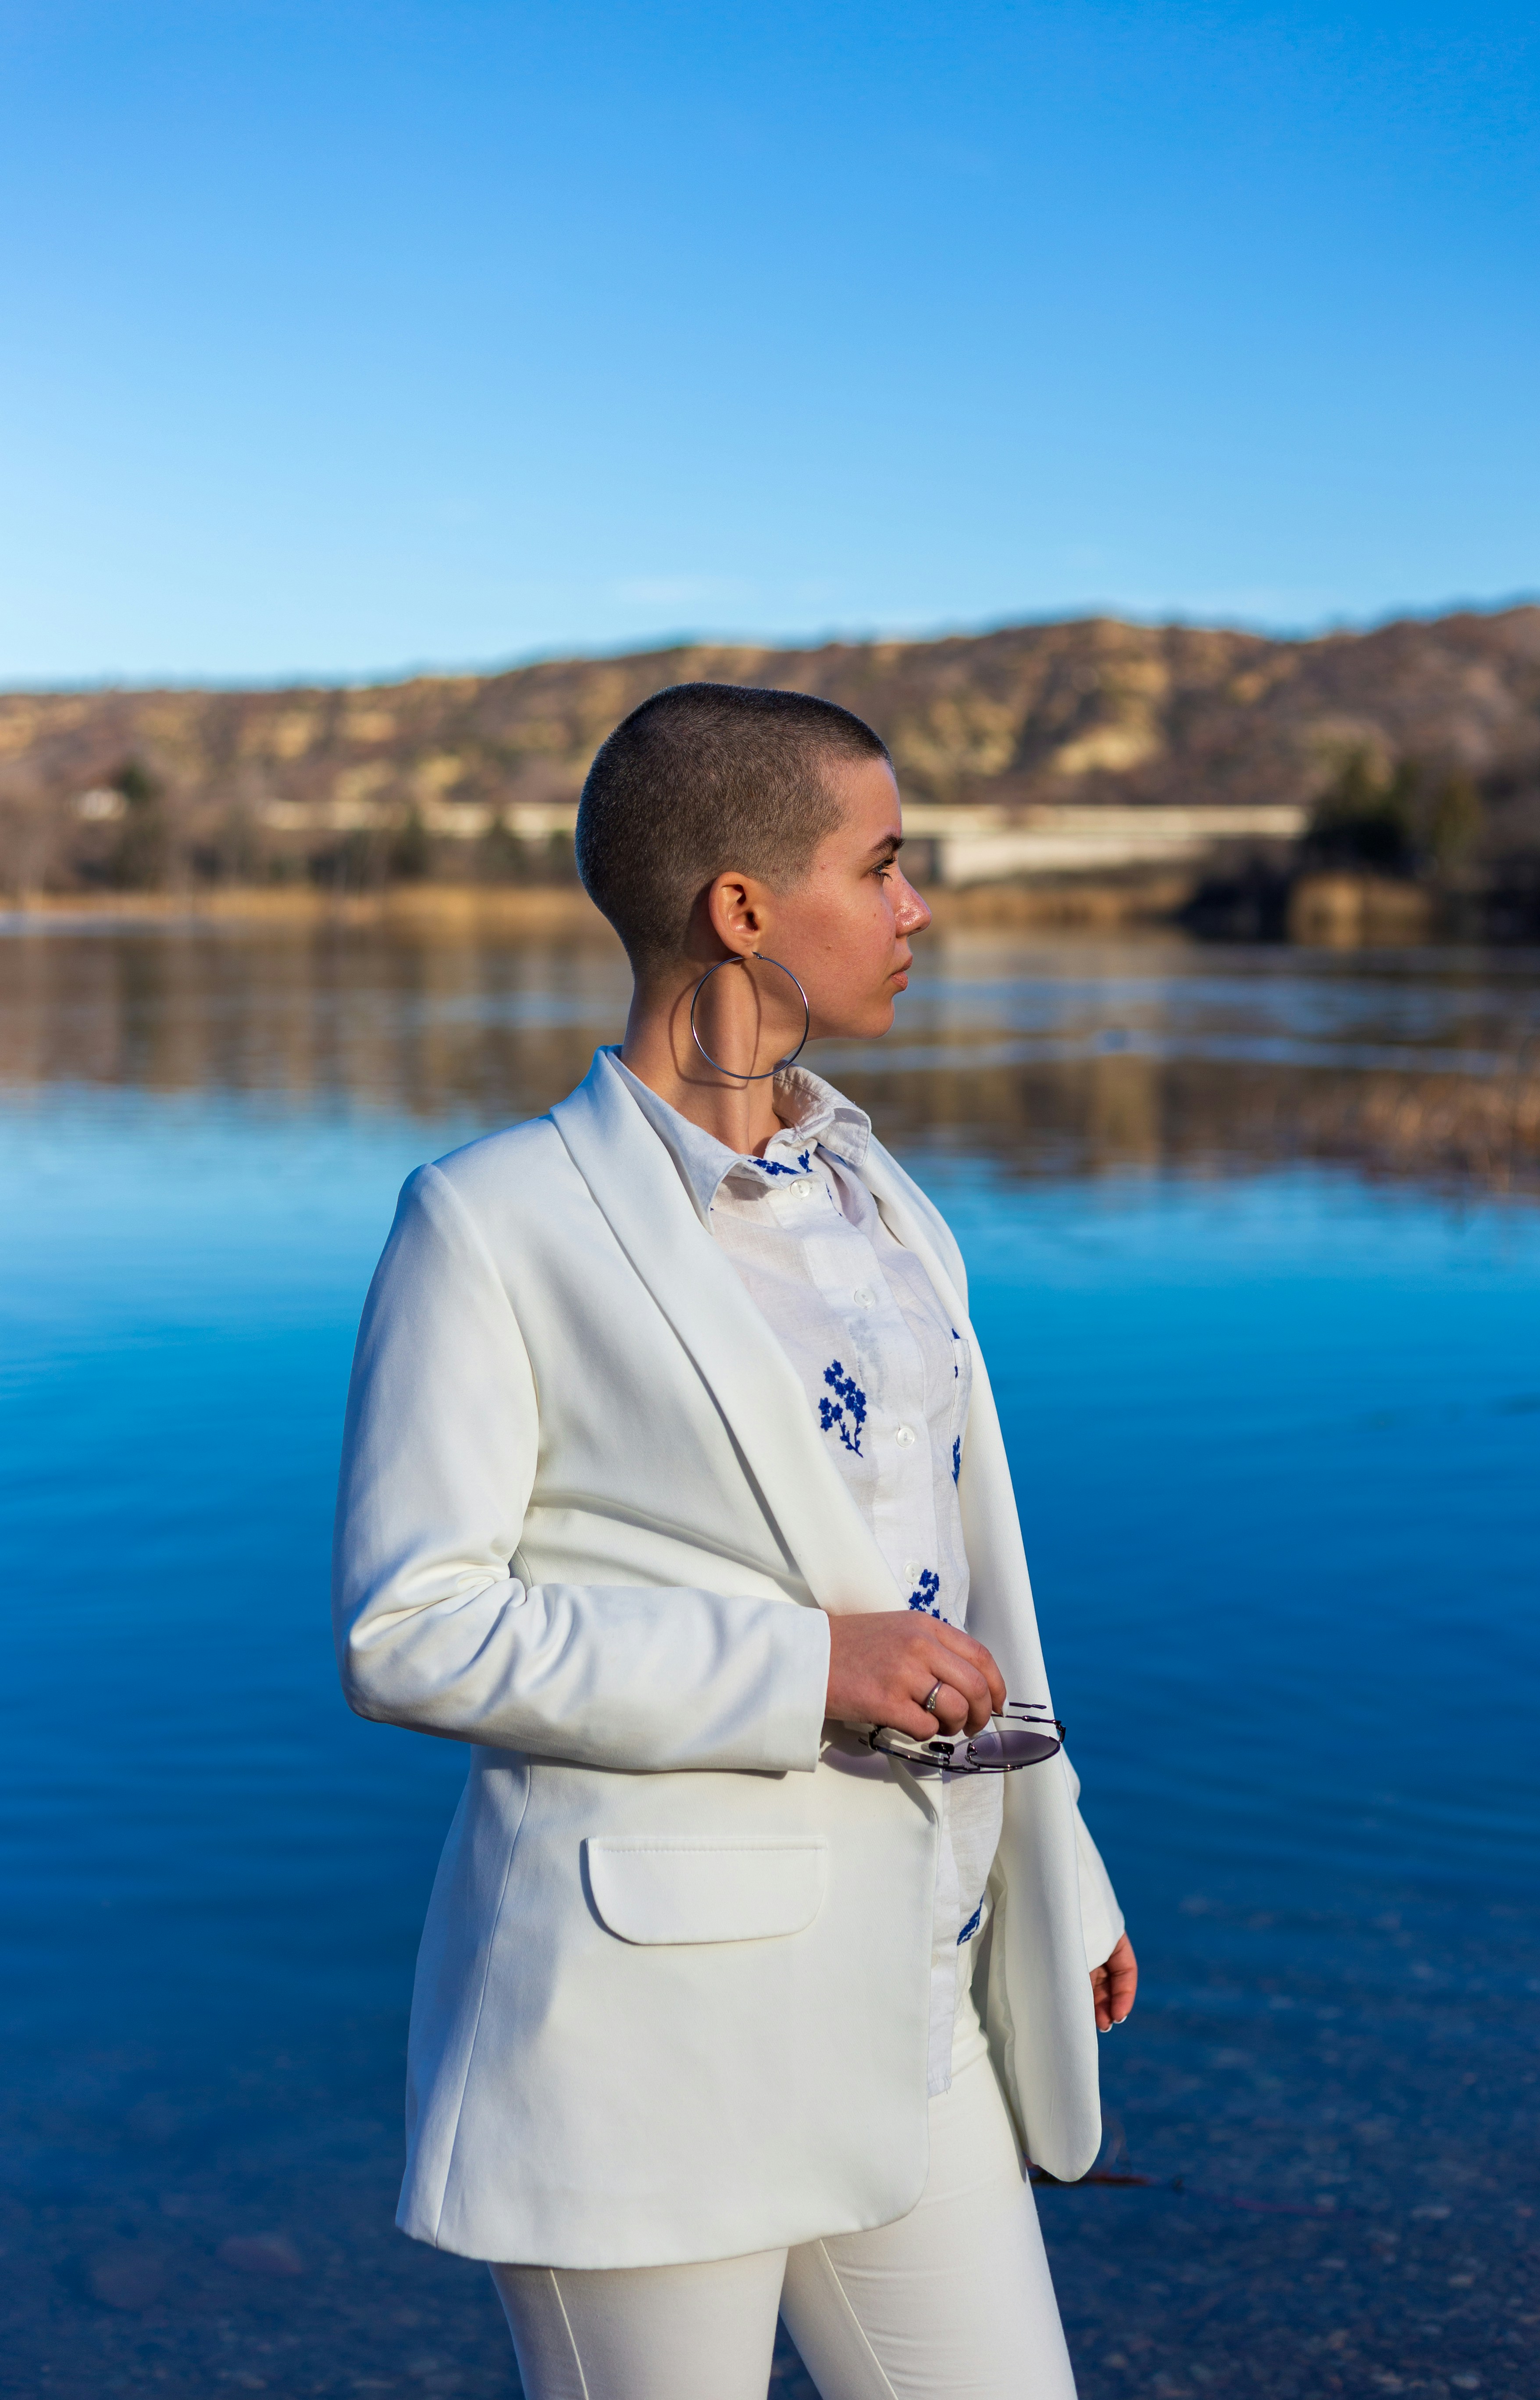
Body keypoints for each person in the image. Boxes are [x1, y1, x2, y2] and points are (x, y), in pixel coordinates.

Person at [332, 683, 1137, 2400]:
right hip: (648, 2042)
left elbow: (972, 1561)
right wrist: (804, 1668)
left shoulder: (885, 1195)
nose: (919, 908)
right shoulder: (490, 1224)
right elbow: (416, 1629)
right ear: (745, 909)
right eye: (886, 864)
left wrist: (1057, 1863)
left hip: (915, 2012)